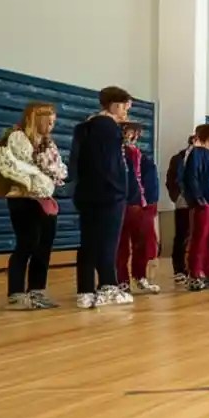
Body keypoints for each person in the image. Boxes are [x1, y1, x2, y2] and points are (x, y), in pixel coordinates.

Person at [0, 102, 66, 310]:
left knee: (45, 245)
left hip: (44, 198)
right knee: (27, 242)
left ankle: (37, 290)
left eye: (53, 122)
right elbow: (21, 166)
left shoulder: (49, 144)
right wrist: (41, 174)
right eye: (48, 121)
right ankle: (16, 293)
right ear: (37, 119)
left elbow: (58, 169)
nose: (51, 126)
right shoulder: (18, 138)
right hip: (23, 198)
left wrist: (50, 174)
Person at [71, 87, 134, 308]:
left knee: (88, 241)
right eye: (126, 106)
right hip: (109, 194)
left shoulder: (84, 127)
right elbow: (111, 164)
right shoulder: (109, 128)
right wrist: (119, 190)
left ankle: (85, 290)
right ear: (116, 105)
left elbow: (76, 164)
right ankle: (108, 286)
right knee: (108, 241)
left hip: (86, 193)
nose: (127, 111)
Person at [180, 124, 209, 291]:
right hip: (204, 203)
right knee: (199, 239)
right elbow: (191, 178)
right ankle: (194, 274)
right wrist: (198, 198)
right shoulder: (195, 153)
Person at [116, 122, 161, 295]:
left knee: (142, 243)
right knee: (121, 246)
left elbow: (150, 182)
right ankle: (121, 281)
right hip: (123, 205)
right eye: (130, 132)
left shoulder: (141, 156)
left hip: (142, 205)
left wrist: (150, 203)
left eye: (137, 133)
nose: (134, 136)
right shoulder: (118, 155)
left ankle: (140, 276)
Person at [165, 136, 193, 285]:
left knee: (195, 236)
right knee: (181, 236)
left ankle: (193, 268)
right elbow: (170, 179)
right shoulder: (178, 158)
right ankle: (179, 269)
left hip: (198, 202)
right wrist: (176, 197)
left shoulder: (203, 157)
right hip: (183, 202)